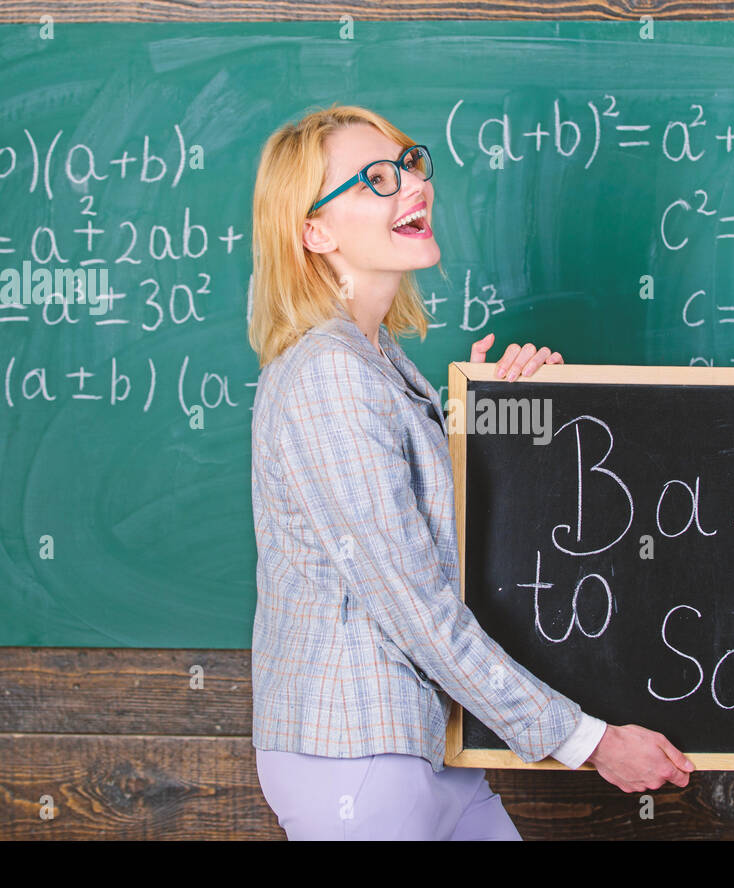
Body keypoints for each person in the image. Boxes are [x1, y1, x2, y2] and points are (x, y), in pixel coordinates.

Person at [248, 103, 693, 840]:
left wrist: (495, 423)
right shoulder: (329, 373)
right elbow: (413, 603)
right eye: (375, 180)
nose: (411, 187)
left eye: (410, 165)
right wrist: (590, 742)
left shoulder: (377, 362)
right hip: (359, 756)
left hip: (433, 749)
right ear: (314, 231)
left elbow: (430, 529)